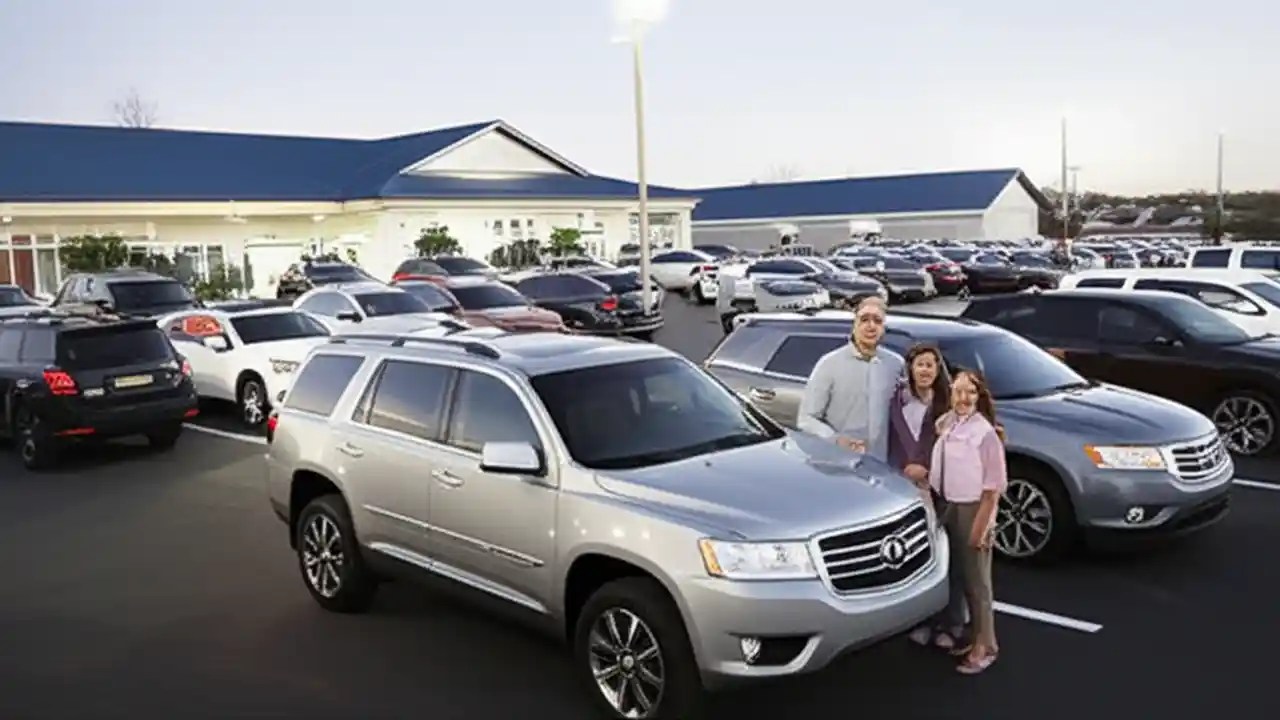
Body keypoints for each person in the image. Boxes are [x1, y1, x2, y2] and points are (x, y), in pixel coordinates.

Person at [888, 344, 966, 650]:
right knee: (918, 559)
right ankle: (922, 621)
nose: (924, 371)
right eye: (919, 365)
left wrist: (928, 469)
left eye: (930, 366)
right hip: (906, 489)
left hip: (942, 490)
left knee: (950, 559)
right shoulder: (897, 402)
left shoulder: (948, 407)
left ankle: (952, 623)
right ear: (910, 369)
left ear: (938, 371)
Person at [929, 369, 1007, 674]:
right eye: (957, 391)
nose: (963, 398)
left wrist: (982, 526)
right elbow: (940, 431)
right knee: (957, 576)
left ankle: (986, 645)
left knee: (978, 583)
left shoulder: (985, 434)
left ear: (980, 396)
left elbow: (993, 488)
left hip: (973, 507)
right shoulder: (950, 422)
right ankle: (969, 635)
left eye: (970, 392)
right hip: (948, 503)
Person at [797, 296, 904, 462]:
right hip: (838, 463)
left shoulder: (895, 364)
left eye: (877, 321)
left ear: (884, 328)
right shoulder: (829, 364)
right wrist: (836, 439)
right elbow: (806, 419)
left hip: (882, 465)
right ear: (854, 325)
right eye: (864, 320)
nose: (871, 326)